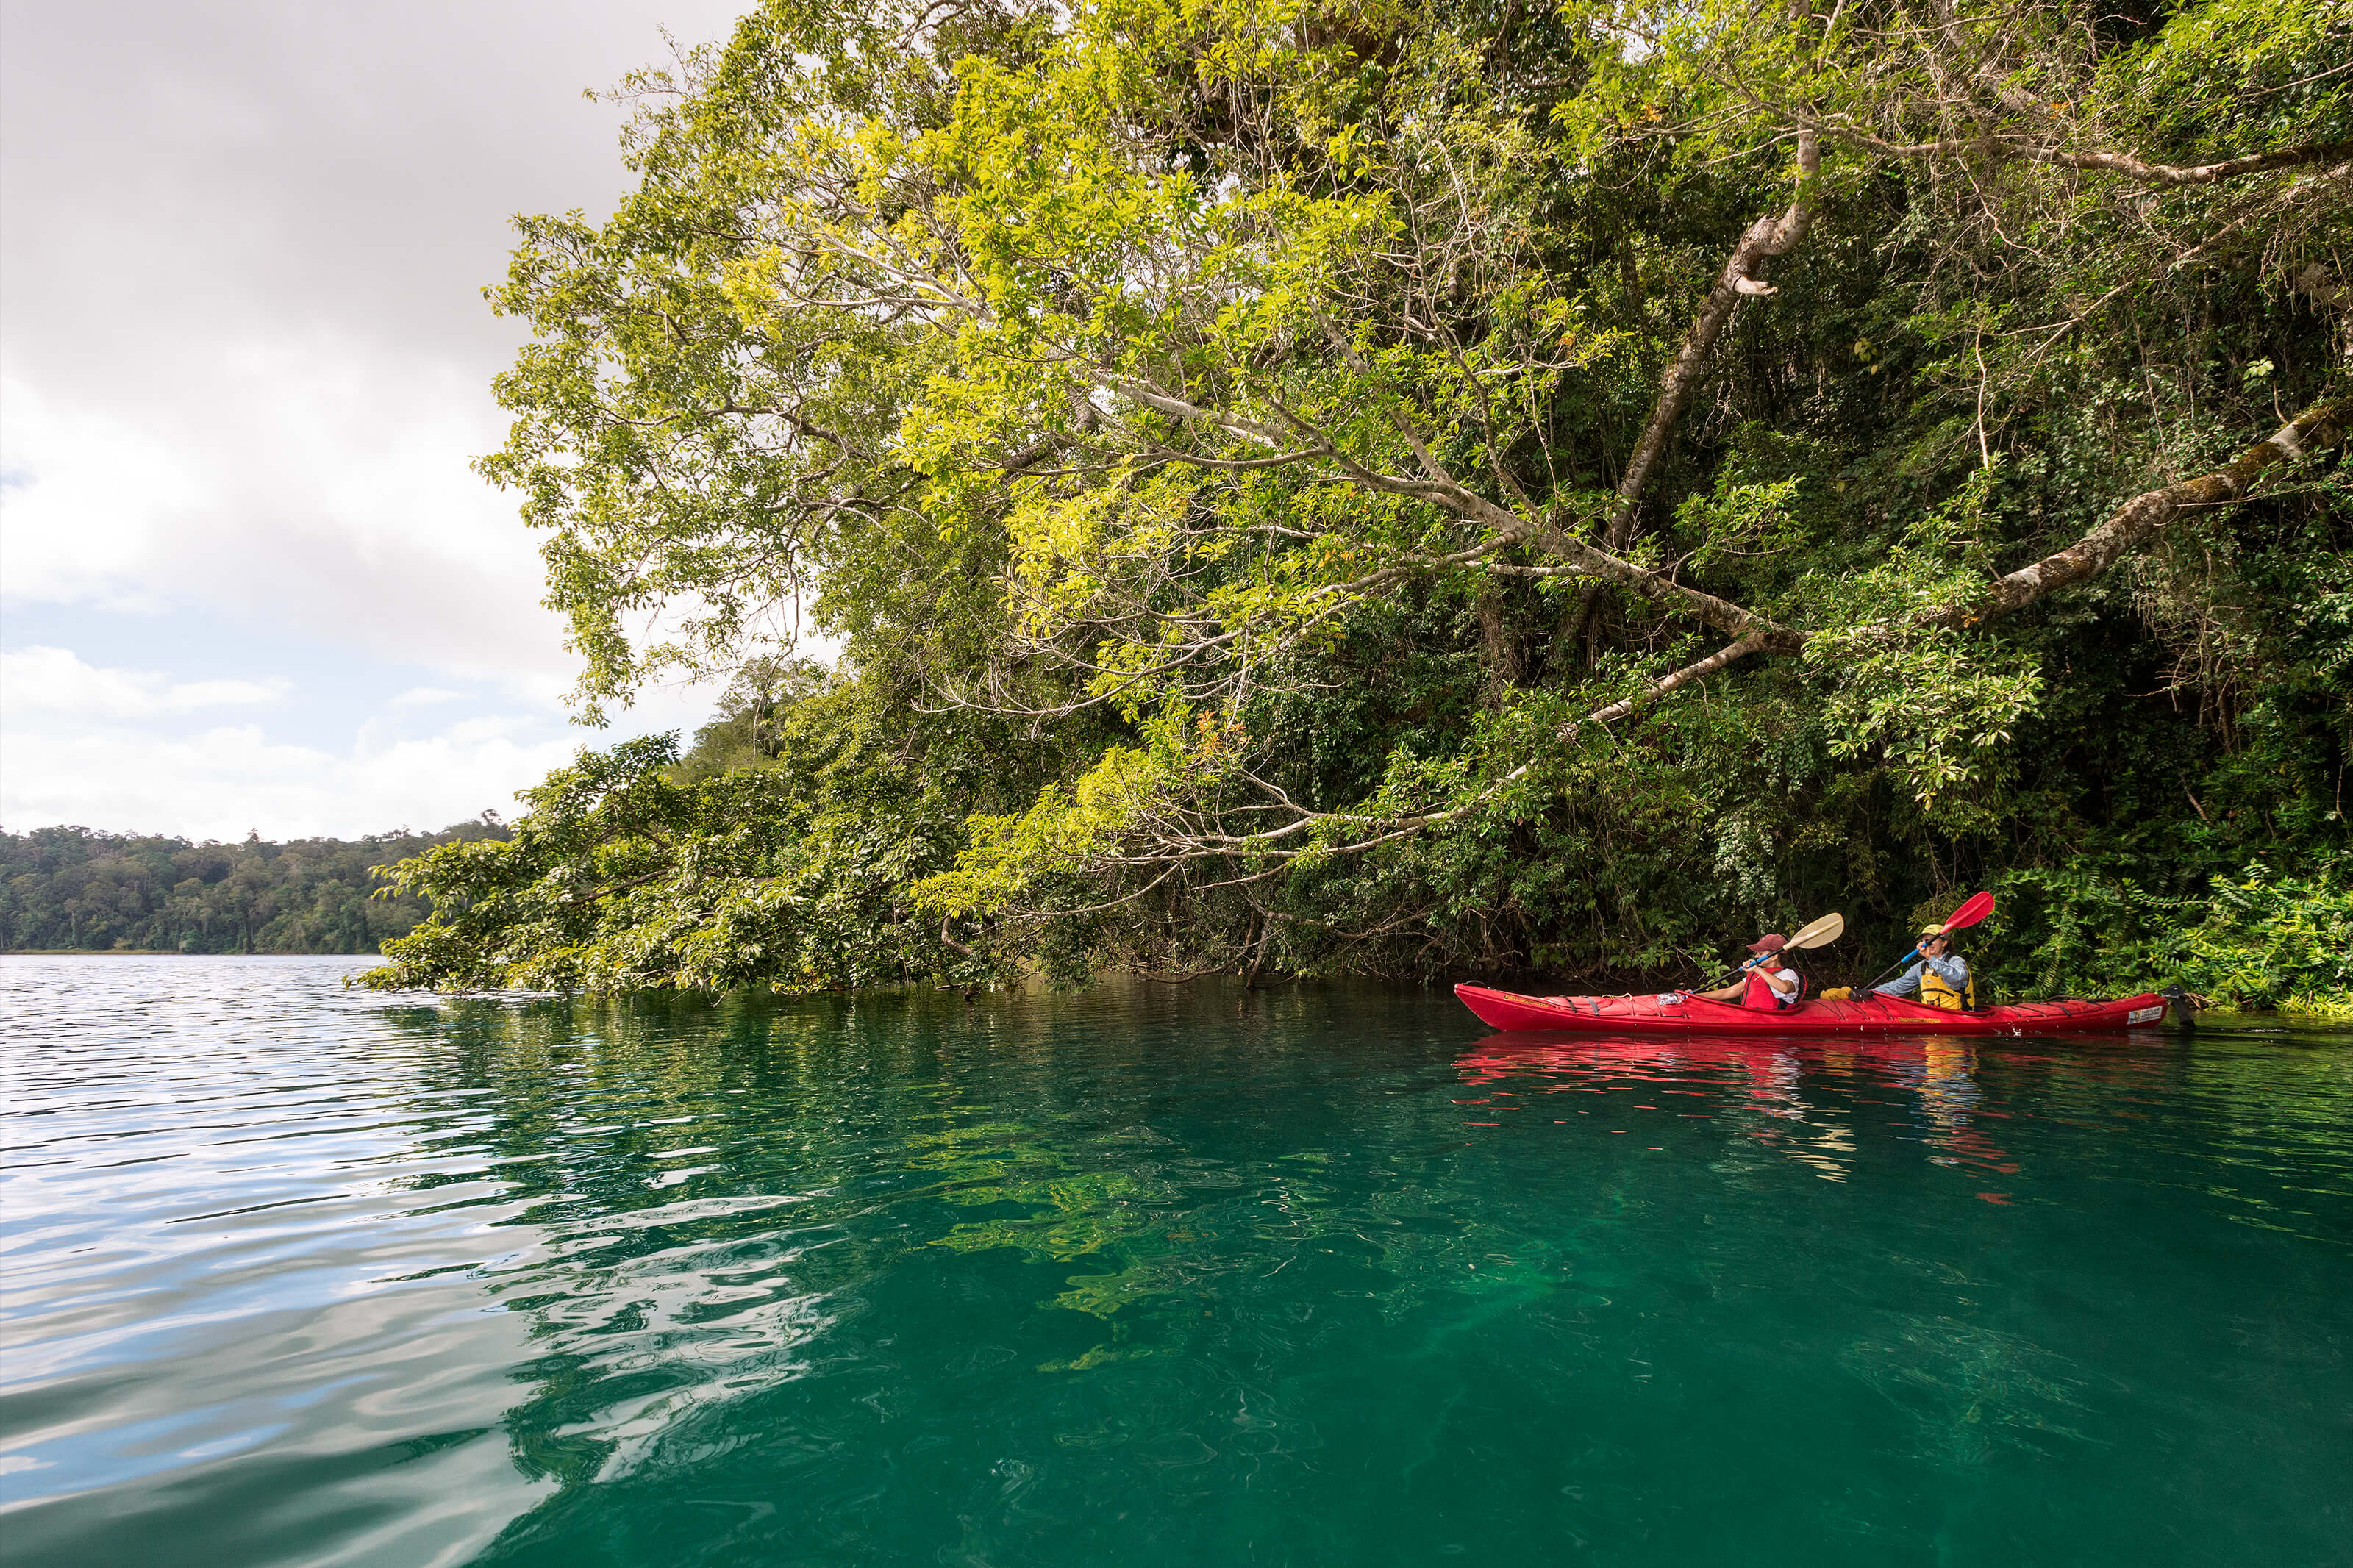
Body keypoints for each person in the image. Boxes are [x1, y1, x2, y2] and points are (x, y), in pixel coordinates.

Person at [1875, 926, 1976, 1009]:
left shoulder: (1956, 961)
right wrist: (1872, 993)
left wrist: (1931, 958)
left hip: (1959, 1016)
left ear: (1944, 942)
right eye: (1924, 940)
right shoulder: (1920, 967)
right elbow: (1897, 987)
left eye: (1932, 939)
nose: (1927, 943)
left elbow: (1957, 977)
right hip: (1931, 1017)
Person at [1693, 934, 1803, 1010]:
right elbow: (1729, 992)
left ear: (1774, 957)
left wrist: (1757, 969)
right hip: (1751, 1016)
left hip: (1773, 1019)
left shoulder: (1788, 974)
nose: (1756, 956)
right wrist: (1696, 996)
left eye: (1760, 954)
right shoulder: (1756, 975)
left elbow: (1786, 988)